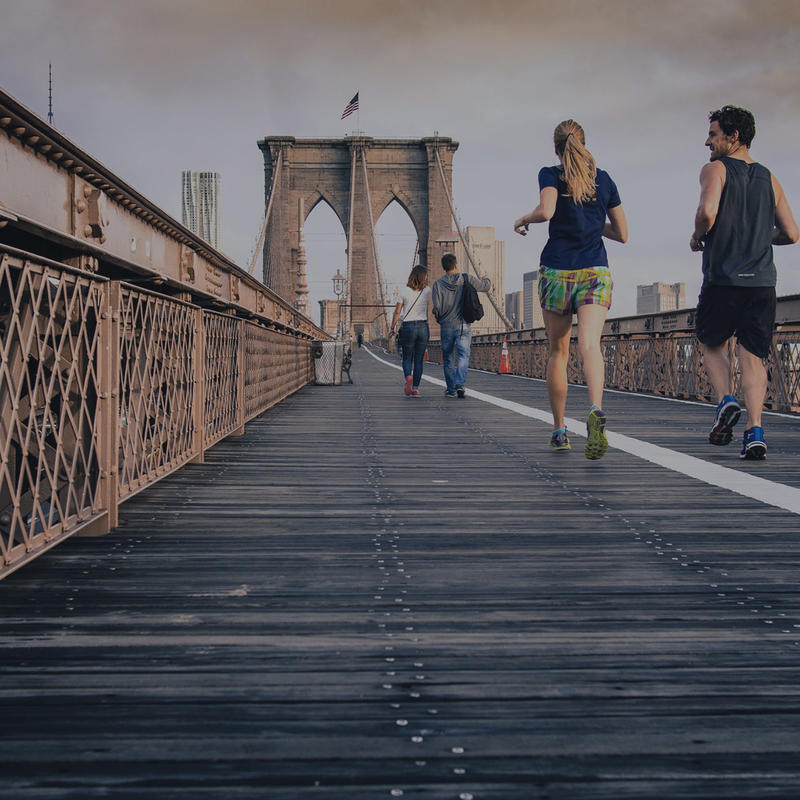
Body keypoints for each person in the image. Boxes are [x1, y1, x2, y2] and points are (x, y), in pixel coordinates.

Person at [514, 119, 628, 459]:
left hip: (558, 272)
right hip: (595, 270)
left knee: (558, 353)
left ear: (556, 148)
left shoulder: (550, 173)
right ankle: (595, 408)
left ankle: (560, 430)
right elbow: (622, 233)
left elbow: (547, 210)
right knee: (590, 345)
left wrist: (524, 219)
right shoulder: (603, 179)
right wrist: (594, 224)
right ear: (583, 142)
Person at [690, 105, 798, 460]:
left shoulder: (715, 169)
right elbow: (792, 233)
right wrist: (759, 237)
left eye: (713, 134)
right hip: (762, 283)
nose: (707, 141)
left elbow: (707, 213)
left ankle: (725, 401)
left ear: (732, 137)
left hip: (723, 278)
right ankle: (755, 432)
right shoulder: (770, 178)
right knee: (753, 359)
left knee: (709, 342)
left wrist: (697, 236)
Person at [431, 252, 491, 398]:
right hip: (463, 325)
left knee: (448, 357)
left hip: (446, 325)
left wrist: (441, 319)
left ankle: (451, 390)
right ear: (456, 265)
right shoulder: (467, 278)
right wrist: (487, 279)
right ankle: (460, 384)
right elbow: (485, 287)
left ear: (443, 267)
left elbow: (437, 308)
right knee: (464, 355)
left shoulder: (438, 284)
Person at [390, 264, 431, 397]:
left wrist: (392, 328)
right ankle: (415, 389)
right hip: (423, 327)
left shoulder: (404, 291)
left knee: (407, 358)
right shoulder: (427, 291)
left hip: (408, 327)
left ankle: (408, 376)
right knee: (419, 360)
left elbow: (397, 311)